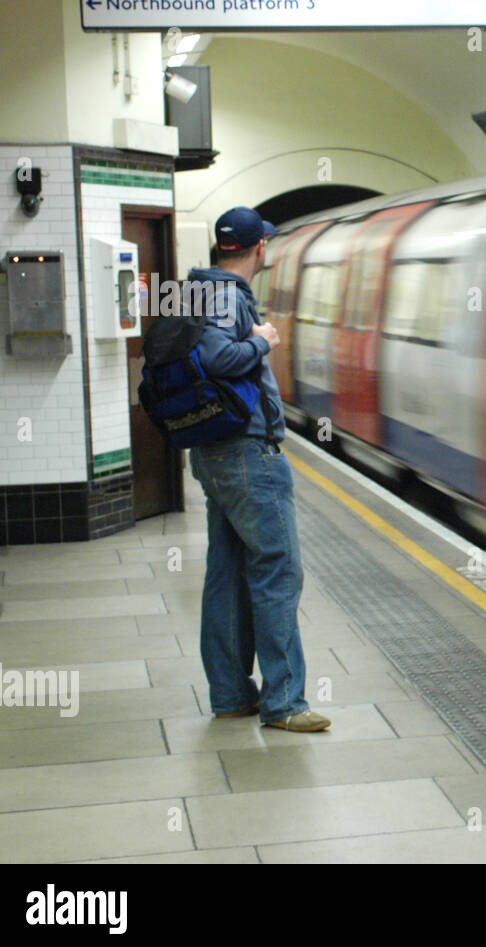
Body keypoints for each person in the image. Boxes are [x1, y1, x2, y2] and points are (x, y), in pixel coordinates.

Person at [186, 206, 330, 732]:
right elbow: (219, 358)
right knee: (277, 572)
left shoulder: (202, 289)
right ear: (260, 248)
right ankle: (285, 702)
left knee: (227, 573)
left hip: (218, 450)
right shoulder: (226, 295)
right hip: (249, 453)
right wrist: (262, 342)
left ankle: (230, 693)